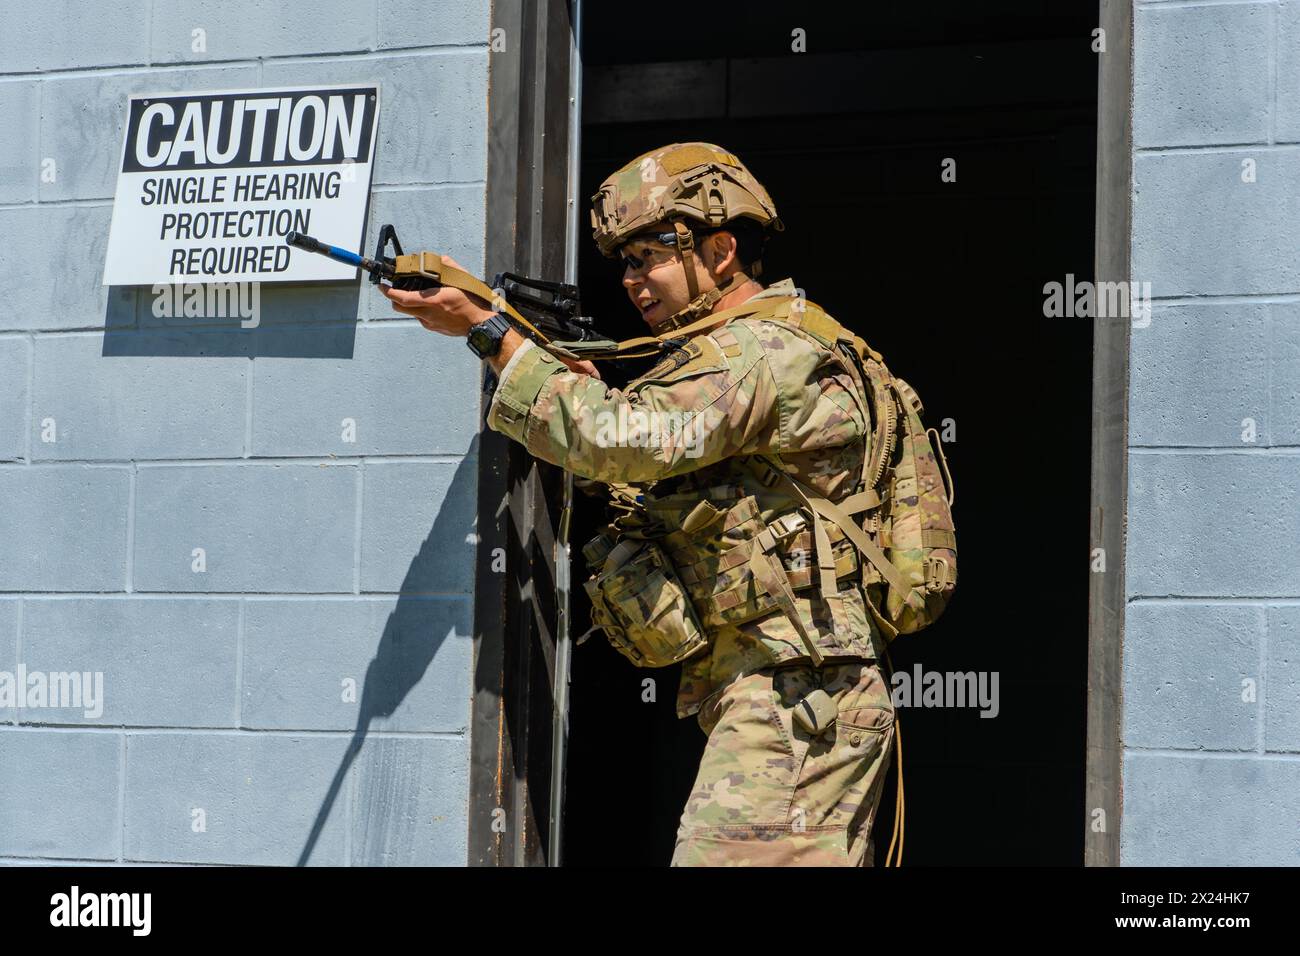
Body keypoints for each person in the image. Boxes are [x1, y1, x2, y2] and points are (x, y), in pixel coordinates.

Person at [381, 142, 929, 867]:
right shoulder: (783, 341)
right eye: (626, 264)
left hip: (798, 702)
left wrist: (492, 334)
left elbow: (623, 440)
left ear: (722, 249)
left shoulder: (759, 350)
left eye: (653, 256)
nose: (635, 282)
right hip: (795, 691)